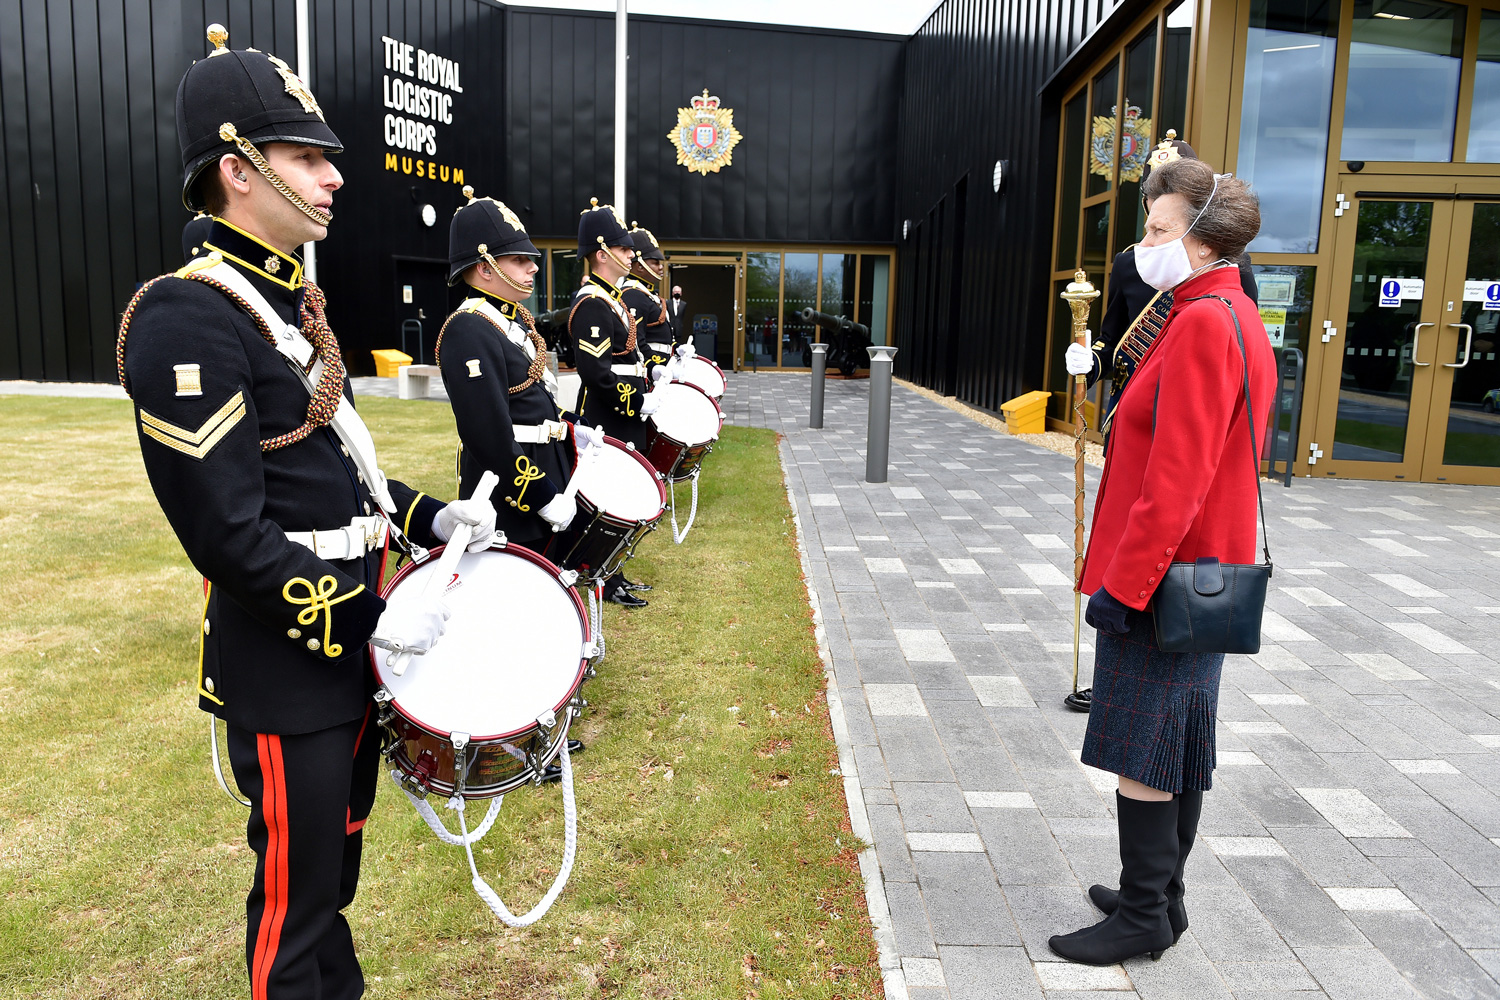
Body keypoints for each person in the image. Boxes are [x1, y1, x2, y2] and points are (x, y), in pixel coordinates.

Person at [116, 26, 495, 999]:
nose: (333, 179)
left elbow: (345, 478)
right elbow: (229, 535)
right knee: (293, 910)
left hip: (349, 655)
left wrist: (431, 517)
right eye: (306, 158)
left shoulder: (295, 307)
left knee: (333, 887)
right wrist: (374, 623)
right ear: (237, 170)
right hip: (291, 664)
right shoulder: (187, 314)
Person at [1049, 158, 1275, 967]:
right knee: (1174, 740)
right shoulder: (1224, 310)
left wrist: (1124, 585)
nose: (1145, 243)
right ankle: (1163, 897)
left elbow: (1177, 480)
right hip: (1199, 575)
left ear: (1205, 240)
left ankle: (1144, 913)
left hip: (1166, 575)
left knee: (1143, 748)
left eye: (1157, 229)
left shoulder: (1207, 322)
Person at [1066, 132, 1260, 438]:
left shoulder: (1232, 267)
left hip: (1190, 415)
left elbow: (1238, 351)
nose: (1158, 202)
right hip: (1131, 407)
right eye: (1152, 195)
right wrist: (1089, 361)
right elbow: (1113, 338)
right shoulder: (1131, 261)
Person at [439, 185, 592, 553]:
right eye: (519, 259)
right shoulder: (468, 327)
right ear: (484, 267)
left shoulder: (510, 321)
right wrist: (539, 495)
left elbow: (531, 400)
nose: (534, 266)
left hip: (545, 469)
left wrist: (571, 425)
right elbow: (487, 433)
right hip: (511, 492)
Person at [566, 198, 656, 607]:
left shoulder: (611, 298)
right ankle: (603, 576)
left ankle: (612, 573)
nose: (631, 254)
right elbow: (597, 373)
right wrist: (636, 403)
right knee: (610, 498)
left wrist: (651, 378)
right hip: (611, 415)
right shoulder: (593, 304)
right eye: (623, 249)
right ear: (602, 254)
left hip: (624, 413)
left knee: (620, 493)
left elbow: (625, 359)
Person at [623, 223, 675, 378]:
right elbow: (636, 341)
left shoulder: (646, 293)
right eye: (656, 262)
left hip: (662, 365)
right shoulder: (632, 294)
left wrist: (675, 347)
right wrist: (652, 366)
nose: (661, 267)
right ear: (639, 266)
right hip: (650, 369)